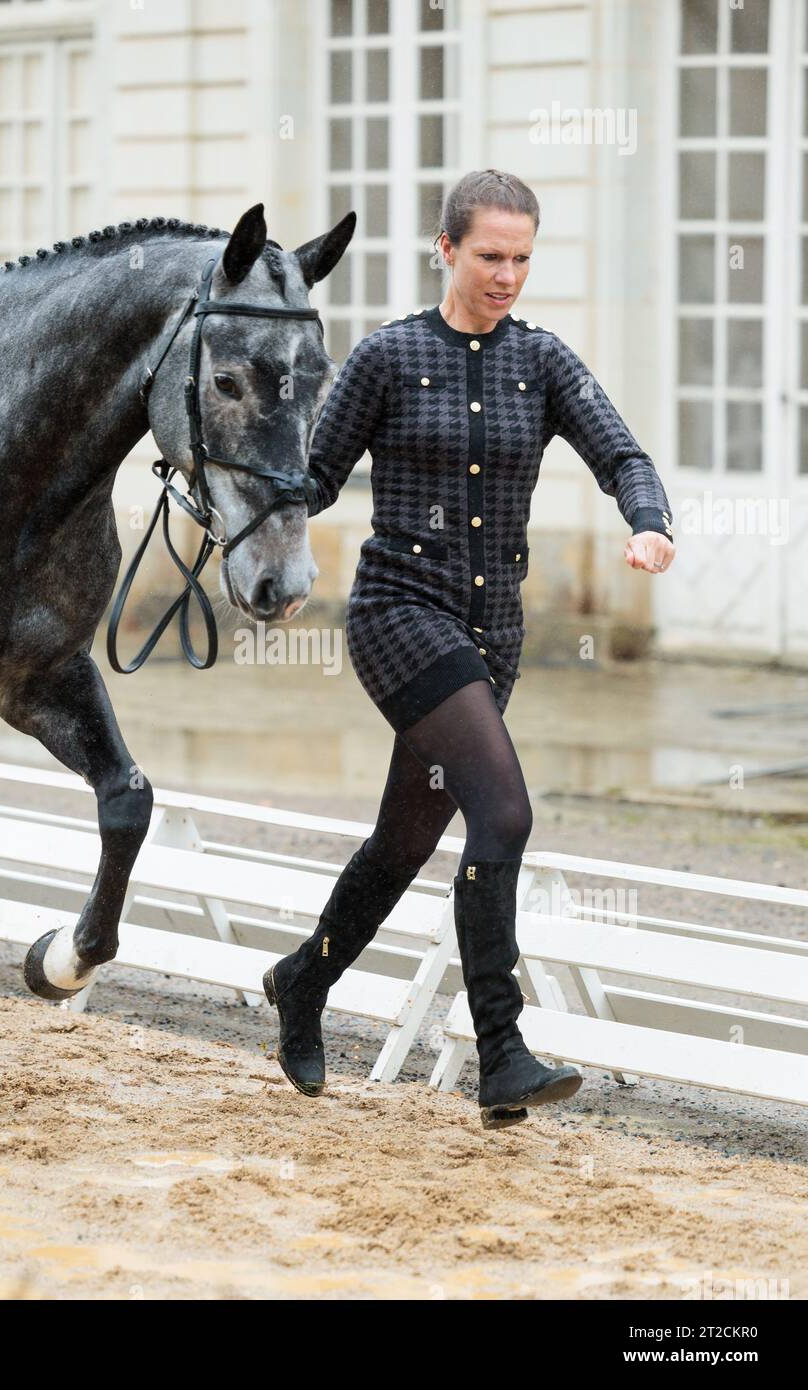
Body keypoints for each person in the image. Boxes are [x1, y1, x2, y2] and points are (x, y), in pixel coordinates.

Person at [263, 168, 676, 1129]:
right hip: (400, 613)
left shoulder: (544, 362)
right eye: (490, 255)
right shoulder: (387, 356)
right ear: (445, 250)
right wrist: (258, 526)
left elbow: (622, 455)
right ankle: (502, 1049)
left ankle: (302, 981)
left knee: (409, 836)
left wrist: (648, 521)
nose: (508, 275)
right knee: (506, 810)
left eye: (523, 257)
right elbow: (314, 482)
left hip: (492, 636)